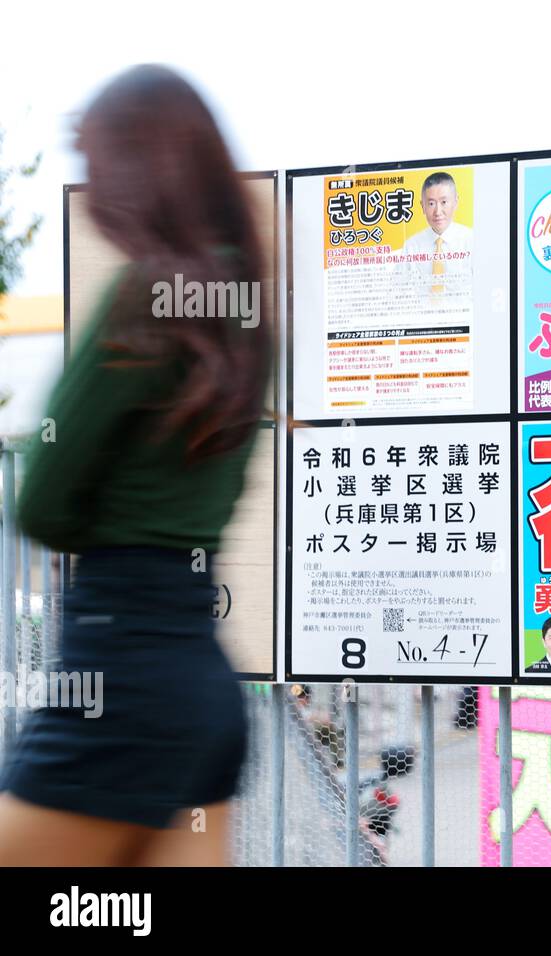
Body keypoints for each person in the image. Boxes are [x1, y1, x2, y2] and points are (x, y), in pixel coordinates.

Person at [0, 65, 273, 866]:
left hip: (116, 685)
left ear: (138, 171)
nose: (95, 191)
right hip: (200, 693)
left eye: (98, 166)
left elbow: (42, 503)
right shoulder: (248, 314)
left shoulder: (143, 296)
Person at [402, 170, 473, 301]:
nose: (438, 212)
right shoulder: (411, 246)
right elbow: (398, 289)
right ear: (422, 206)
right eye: (431, 204)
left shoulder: (472, 240)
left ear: (456, 201)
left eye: (444, 202)